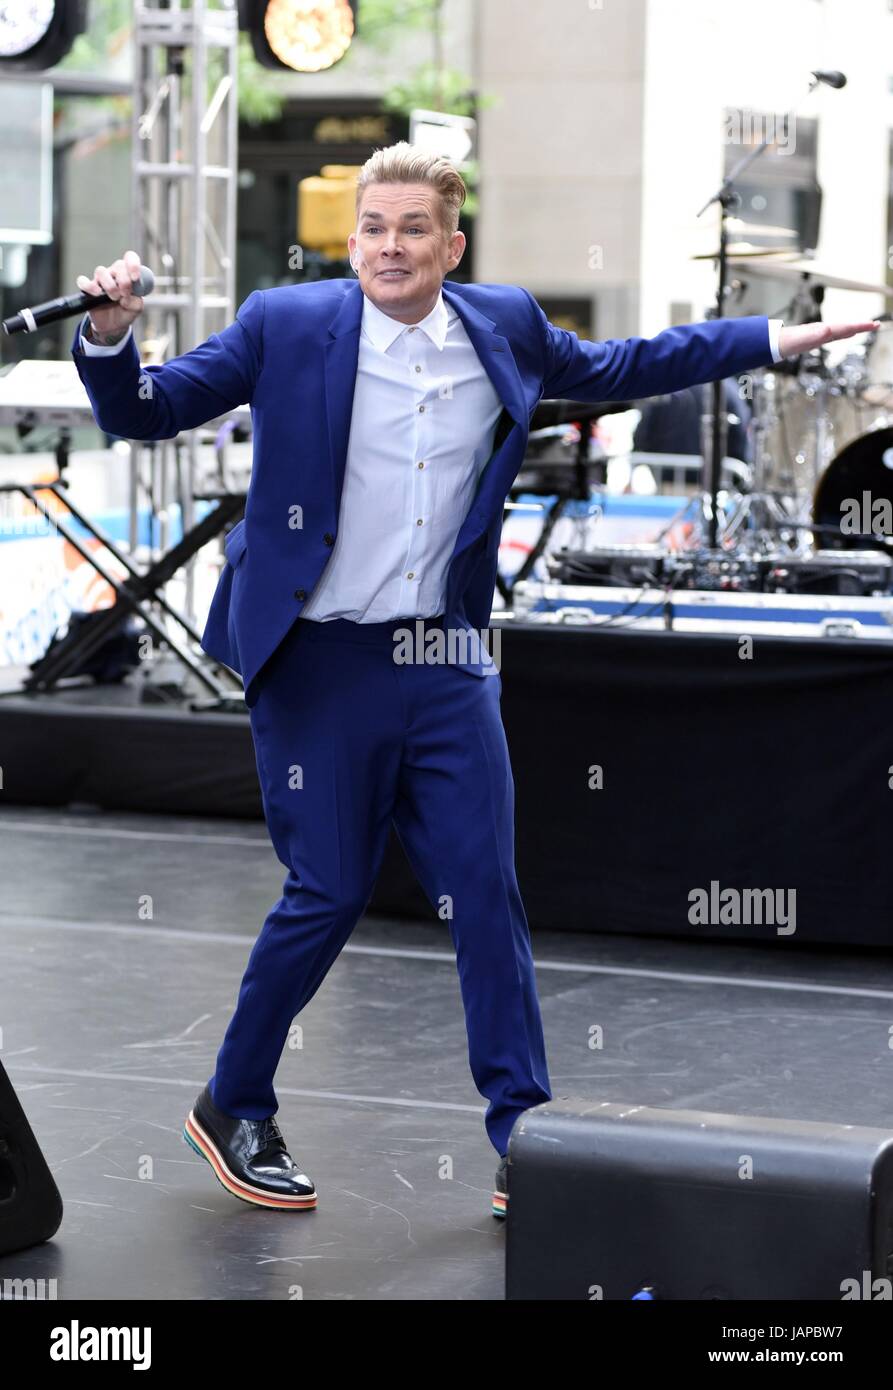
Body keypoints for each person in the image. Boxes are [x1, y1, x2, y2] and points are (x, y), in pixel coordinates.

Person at [70, 142, 880, 1221]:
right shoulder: (287, 322)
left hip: (444, 658)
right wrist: (109, 341)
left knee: (487, 895)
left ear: (451, 245)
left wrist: (772, 337)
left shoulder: (500, 326)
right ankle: (234, 1101)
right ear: (349, 238)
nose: (389, 246)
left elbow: (631, 363)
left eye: (413, 229)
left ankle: (521, 1133)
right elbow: (145, 411)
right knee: (327, 891)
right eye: (372, 227)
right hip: (317, 658)